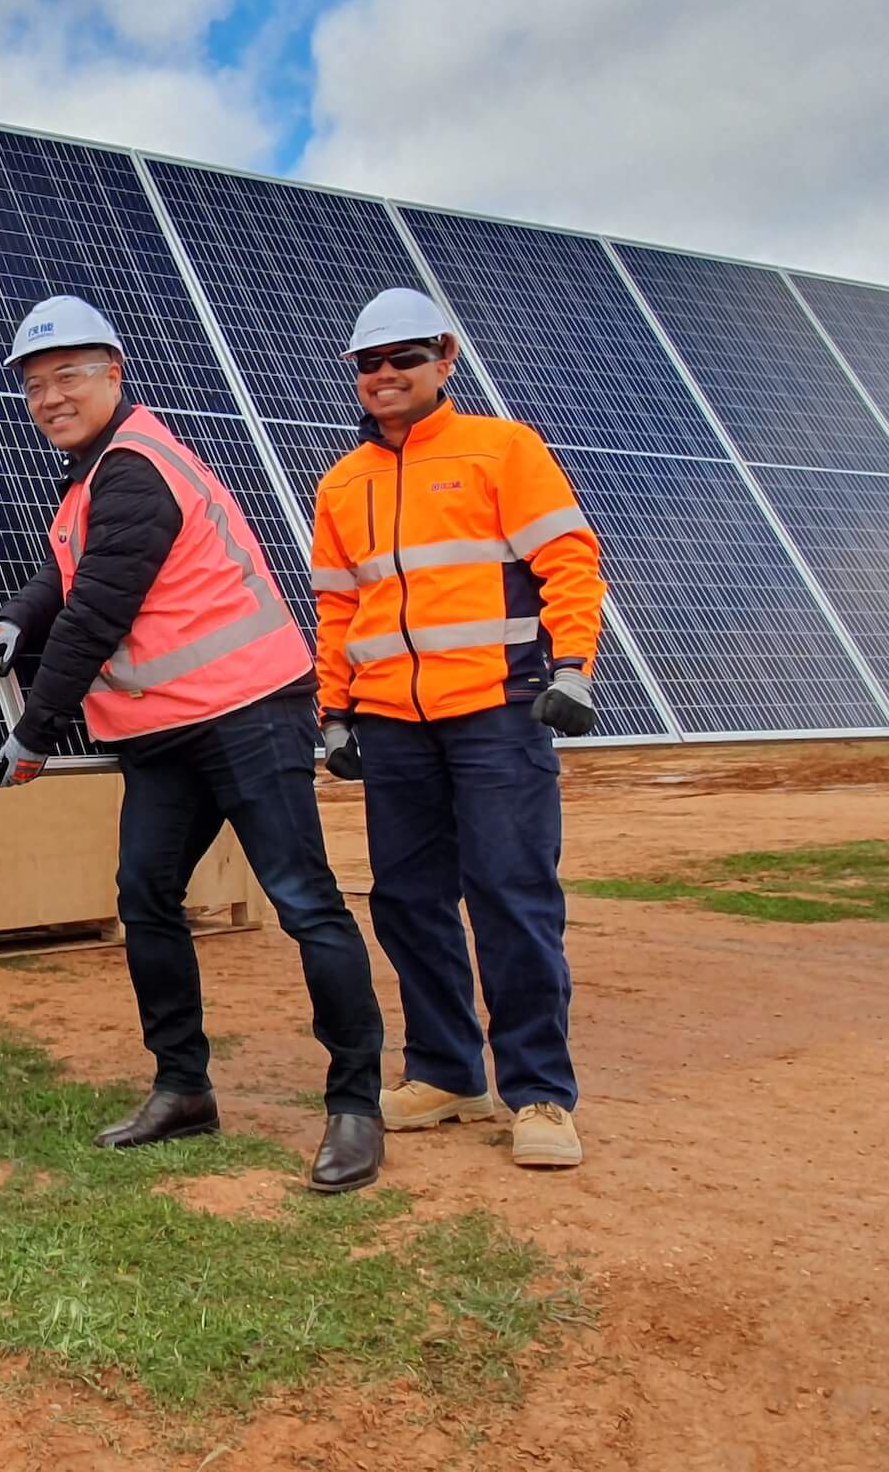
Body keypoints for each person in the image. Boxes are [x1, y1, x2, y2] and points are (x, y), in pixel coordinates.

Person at [0, 294, 385, 1193]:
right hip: (163, 732)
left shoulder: (136, 468)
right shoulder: (95, 477)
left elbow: (99, 612)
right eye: (34, 386)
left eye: (67, 376)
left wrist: (32, 734)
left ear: (114, 371)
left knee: (304, 901)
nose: (50, 398)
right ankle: (183, 1089)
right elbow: (66, 577)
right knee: (145, 897)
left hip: (246, 713)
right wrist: (10, 622)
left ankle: (355, 1104)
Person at [309, 288, 603, 1171]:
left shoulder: (503, 449)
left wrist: (574, 668)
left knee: (512, 897)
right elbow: (338, 609)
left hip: (496, 714)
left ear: (446, 357)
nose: (385, 375)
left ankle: (541, 1093)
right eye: (368, 363)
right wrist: (335, 712)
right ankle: (444, 1070)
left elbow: (567, 559)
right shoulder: (342, 482)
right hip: (394, 722)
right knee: (406, 902)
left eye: (403, 357)